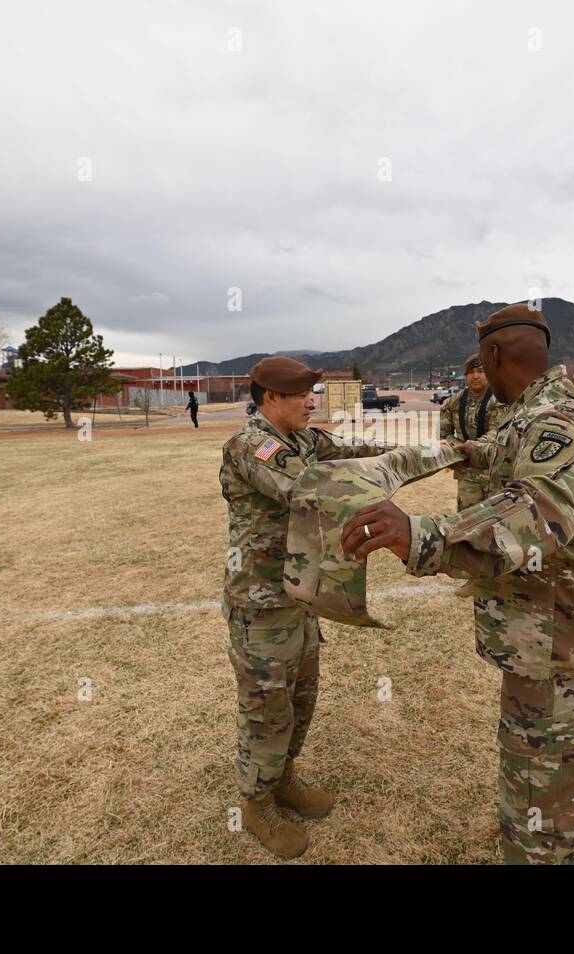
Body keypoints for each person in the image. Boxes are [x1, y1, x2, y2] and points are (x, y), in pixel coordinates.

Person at [339, 303, 574, 865]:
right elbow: (490, 451)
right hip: (541, 646)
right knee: (537, 792)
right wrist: (403, 461)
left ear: (492, 356)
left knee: (543, 818)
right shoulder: (524, 416)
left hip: (559, 649)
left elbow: (537, 515)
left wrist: (424, 534)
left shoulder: (556, 424)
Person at [219, 355, 391, 858]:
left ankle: (283, 777)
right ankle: (255, 804)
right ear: (270, 397)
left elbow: (355, 450)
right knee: (266, 709)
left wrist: (426, 453)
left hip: (299, 598)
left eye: (312, 393)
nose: (311, 401)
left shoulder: (304, 441)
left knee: (299, 700)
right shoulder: (254, 445)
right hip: (262, 607)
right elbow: (310, 490)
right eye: (301, 394)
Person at [438, 354, 508, 596]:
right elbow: (444, 436)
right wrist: (459, 447)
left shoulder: (498, 402)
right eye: (471, 372)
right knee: (468, 524)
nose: (475, 376)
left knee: (497, 523)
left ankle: (501, 575)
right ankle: (474, 578)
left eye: (480, 371)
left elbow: (497, 435)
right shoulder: (452, 403)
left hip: (493, 473)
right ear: (465, 376)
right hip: (468, 475)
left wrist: (470, 447)